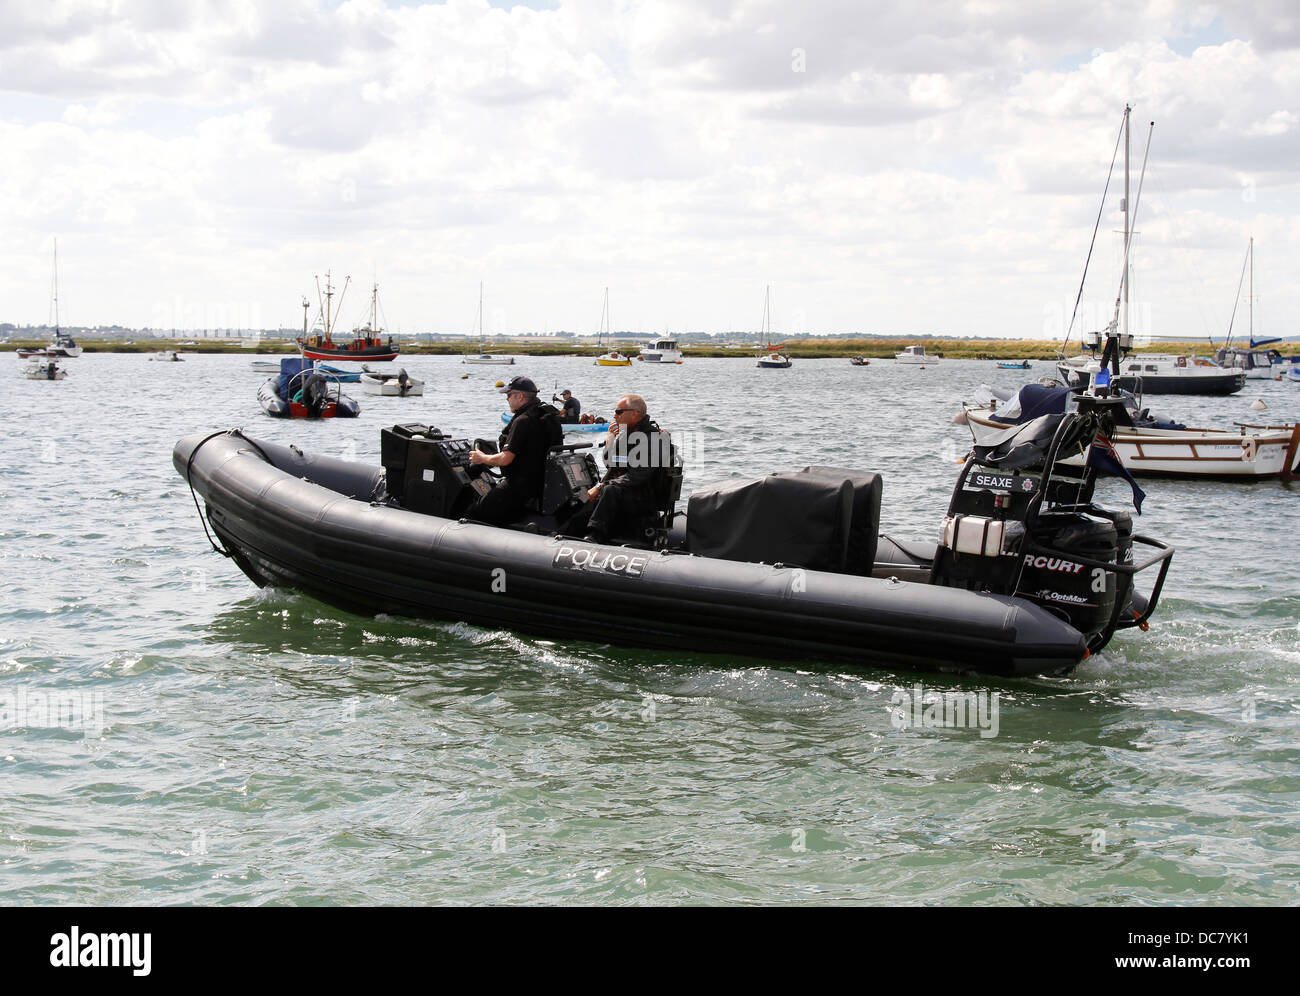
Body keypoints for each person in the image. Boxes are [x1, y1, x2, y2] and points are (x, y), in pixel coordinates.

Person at [560, 393, 673, 544]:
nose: (614, 416)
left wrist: (601, 487)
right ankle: (561, 534)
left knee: (609, 490)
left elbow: (637, 476)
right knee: (580, 505)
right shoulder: (628, 435)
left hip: (643, 497)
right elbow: (612, 464)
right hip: (628, 492)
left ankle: (596, 535)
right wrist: (611, 439)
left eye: (619, 412)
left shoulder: (653, 438)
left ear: (634, 414)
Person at [466, 376, 563, 526]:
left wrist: (482, 458)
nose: (507, 399)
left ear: (520, 396)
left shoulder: (523, 421)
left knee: (474, 512)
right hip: (542, 484)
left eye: (509, 395)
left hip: (519, 486)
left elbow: (505, 459)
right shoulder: (549, 416)